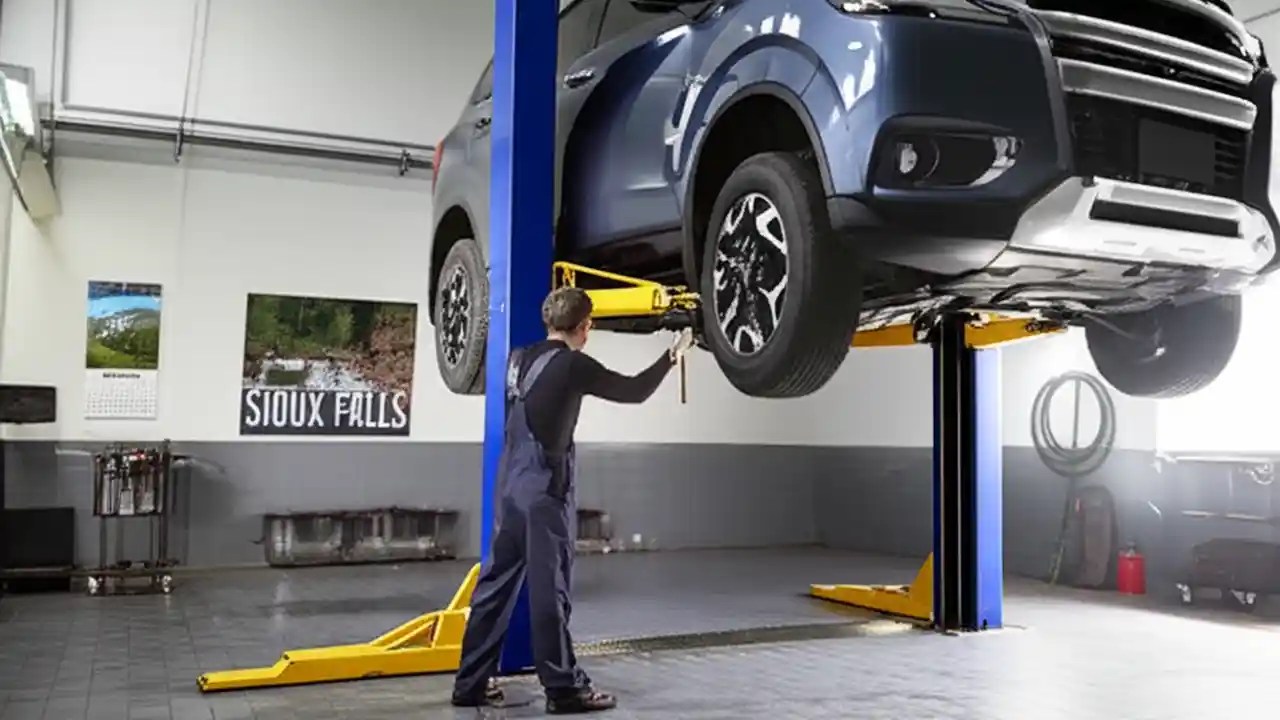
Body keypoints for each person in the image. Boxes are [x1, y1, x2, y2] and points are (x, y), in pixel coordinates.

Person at [451, 286, 695, 714]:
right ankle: (564, 689)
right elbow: (634, 390)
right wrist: (673, 354)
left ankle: (470, 683)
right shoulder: (573, 366)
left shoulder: (517, 360)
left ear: (549, 322)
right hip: (546, 493)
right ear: (586, 326)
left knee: (495, 587)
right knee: (550, 592)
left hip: (509, 489)